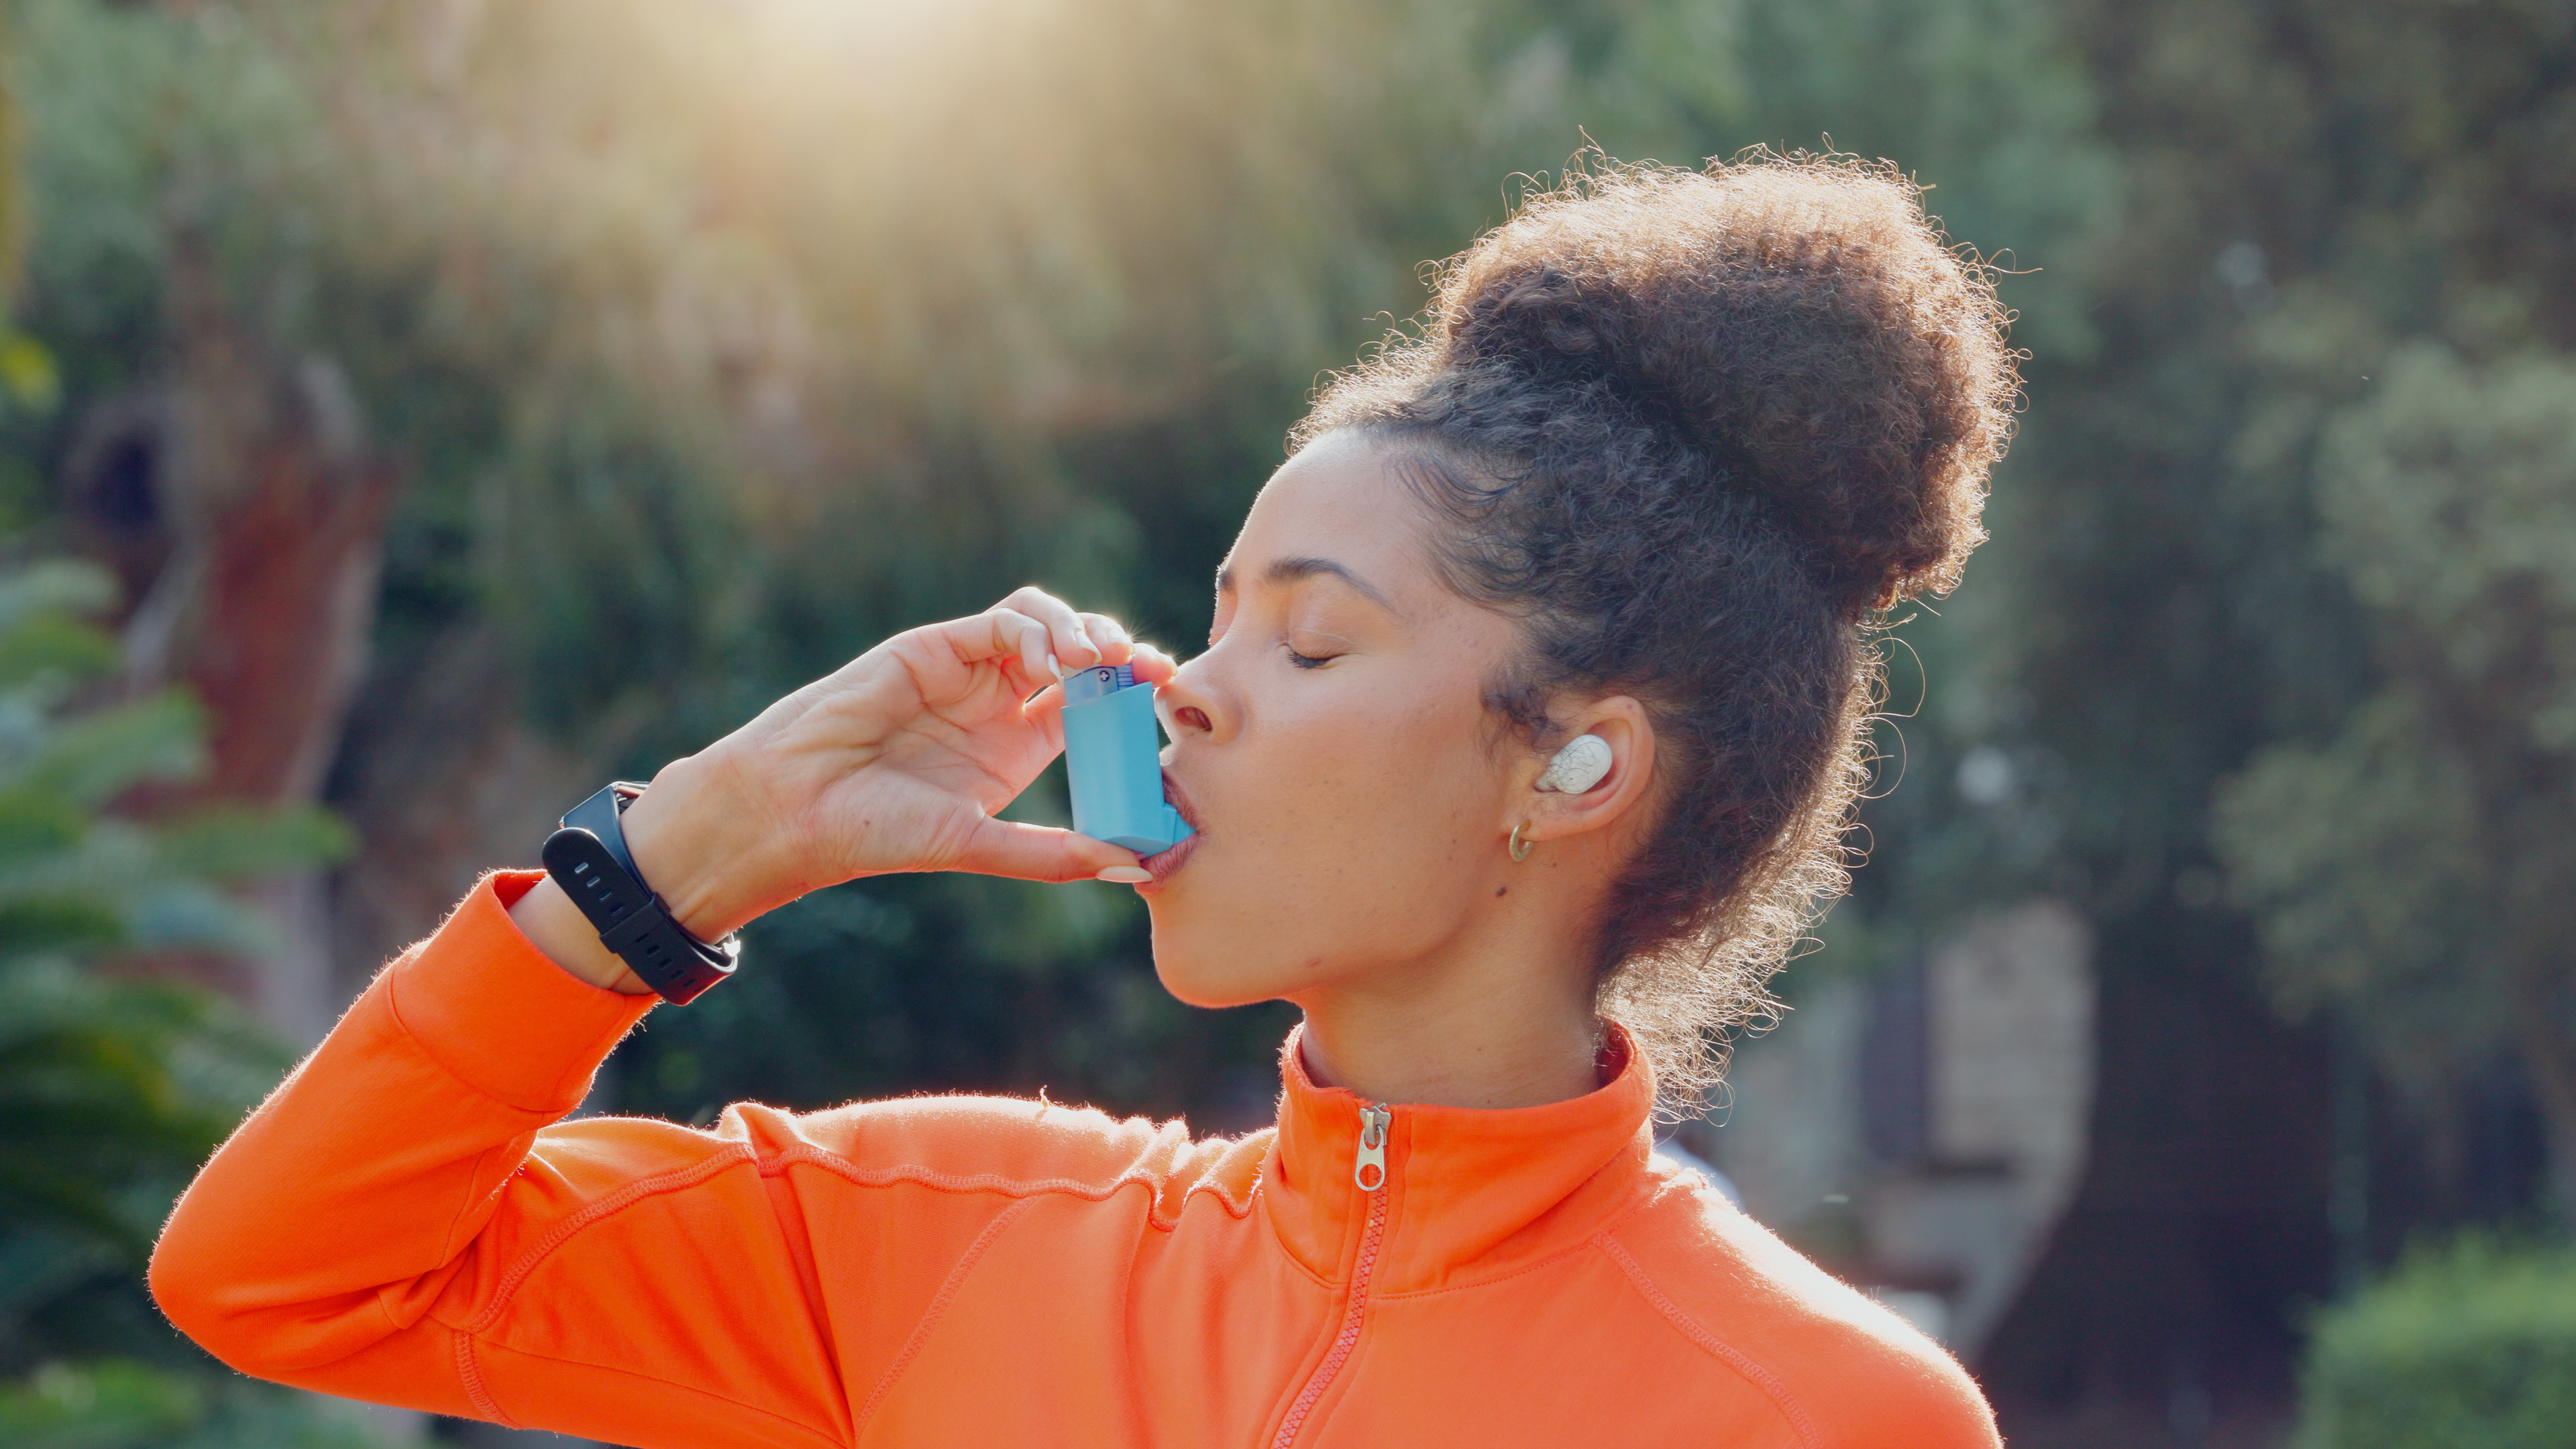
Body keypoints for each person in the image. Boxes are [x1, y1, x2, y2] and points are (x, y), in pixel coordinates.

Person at [152, 154, 2016, 1447]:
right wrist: (688, 853)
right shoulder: (943, 1232)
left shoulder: (1823, 1417)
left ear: (1574, 759)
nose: (1178, 691)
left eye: (1306, 641)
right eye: (1211, 618)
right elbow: (286, 1272)